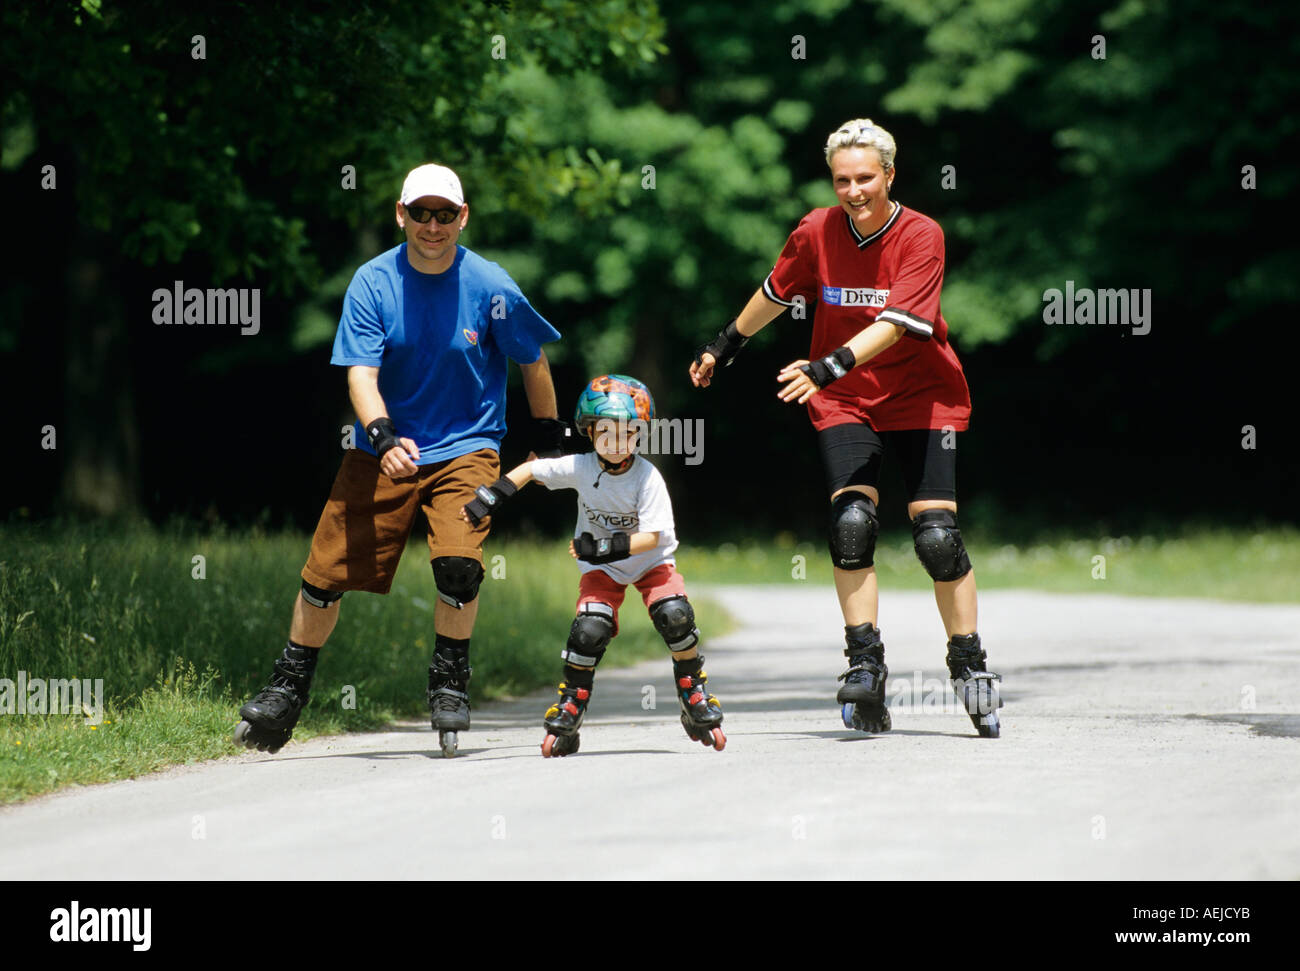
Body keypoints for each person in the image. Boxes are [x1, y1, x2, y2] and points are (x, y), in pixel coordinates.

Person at [235, 163, 565, 758]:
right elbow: (361, 373)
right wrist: (383, 438)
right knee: (323, 577)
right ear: (401, 214)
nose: (432, 226)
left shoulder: (490, 284)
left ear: (462, 218)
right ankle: (287, 689)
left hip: (468, 444)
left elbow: (532, 360)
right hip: (382, 446)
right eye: (421, 213)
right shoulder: (373, 281)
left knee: (458, 568)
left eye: (445, 215)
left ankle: (448, 685)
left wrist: (547, 438)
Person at [689, 118, 1003, 738]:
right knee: (851, 524)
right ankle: (865, 666)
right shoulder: (816, 229)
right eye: (842, 180)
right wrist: (725, 345)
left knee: (936, 535)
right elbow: (775, 291)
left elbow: (899, 323)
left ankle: (968, 663)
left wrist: (825, 366)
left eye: (865, 178)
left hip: (921, 397)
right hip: (846, 401)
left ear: (889, 174)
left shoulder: (922, 235)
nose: (853, 190)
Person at [462, 374, 726, 757]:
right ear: (589, 432)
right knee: (588, 630)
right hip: (602, 569)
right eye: (607, 433)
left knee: (675, 616)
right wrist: (491, 497)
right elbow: (530, 470)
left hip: (649, 562)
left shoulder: (648, 478)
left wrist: (600, 547)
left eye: (626, 433)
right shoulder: (582, 467)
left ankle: (693, 691)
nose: (617, 443)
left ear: (640, 434)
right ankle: (571, 702)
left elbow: (652, 538)